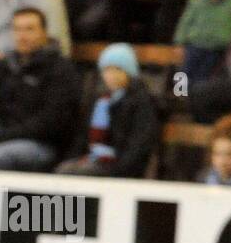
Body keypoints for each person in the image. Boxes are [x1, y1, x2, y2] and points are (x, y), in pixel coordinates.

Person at [0, 8, 81, 172]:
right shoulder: (4, 66)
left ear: (44, 32)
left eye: (29, 29)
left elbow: (52, 122)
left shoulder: (60, 69)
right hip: (0, 135)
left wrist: (6, 135)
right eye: (17, 29)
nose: (22, 36)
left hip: (41, 144)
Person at [55, 42, 158, 178]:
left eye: (117, 69)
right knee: (64, 169)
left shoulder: (141, 102)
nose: (111, 75)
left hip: (120, 165)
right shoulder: (100, 101)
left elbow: (139, 143)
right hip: (94, 159)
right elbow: (83, 137)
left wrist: (119, 169)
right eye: (107, 70)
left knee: (73, 173)